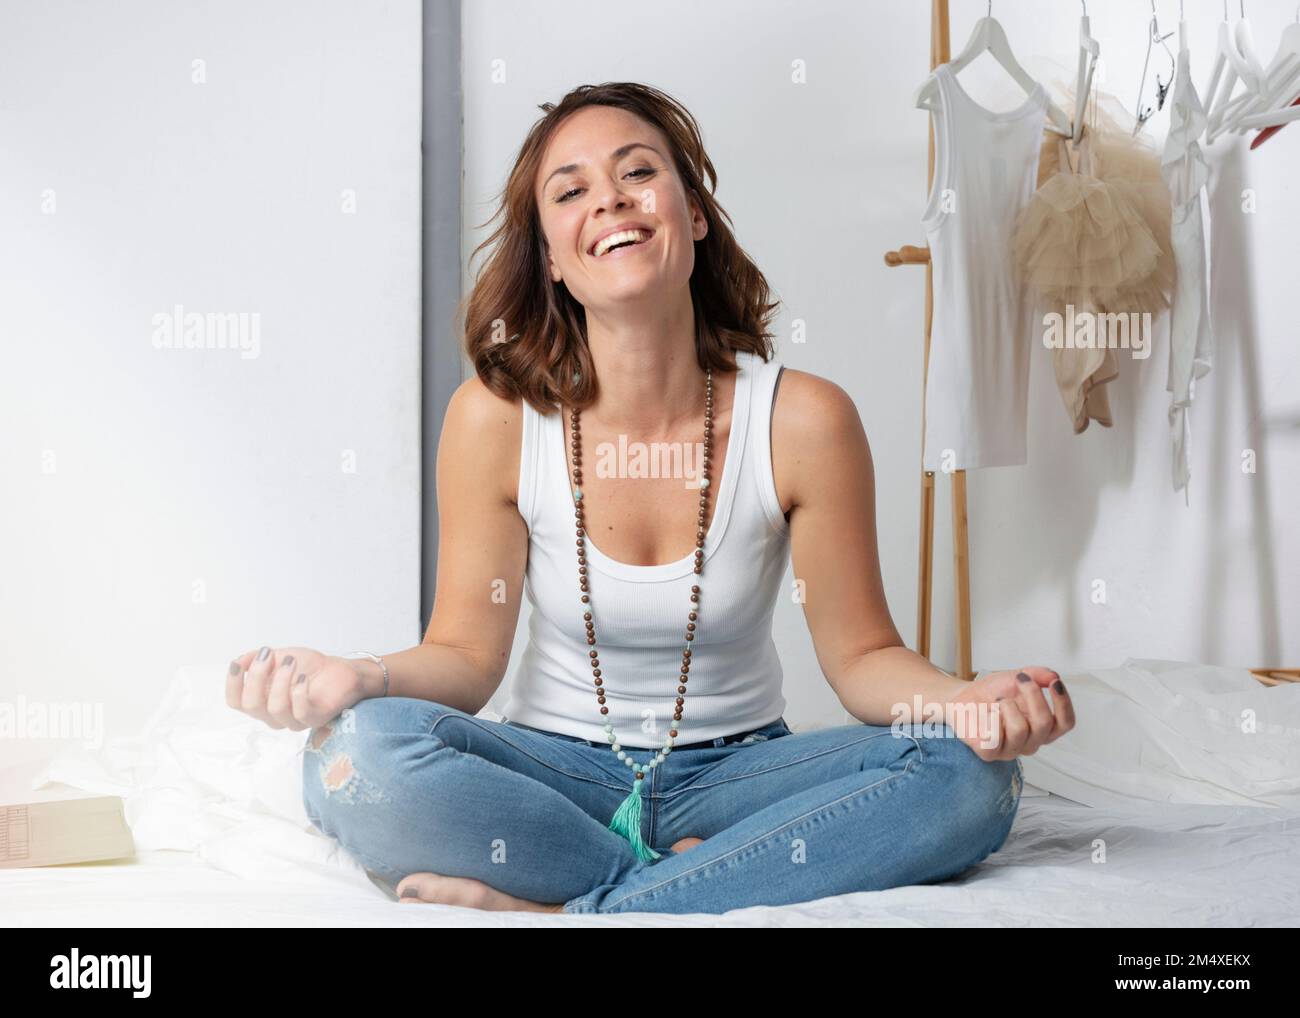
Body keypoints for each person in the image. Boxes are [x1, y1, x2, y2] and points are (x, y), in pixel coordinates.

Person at [228, 82, 1075, 916]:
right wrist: (357, 678)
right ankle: (685, 883)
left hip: (741, 777)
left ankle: (577, 909)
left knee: (969, 773)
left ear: (693, 213)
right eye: (571, 191)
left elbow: (860, 662)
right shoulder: (493, 419)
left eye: (638, 172)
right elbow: (463, 655)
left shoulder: (806, 419)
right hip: (552, 778)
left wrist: (959, 702)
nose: (610, 201)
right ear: (552, 259)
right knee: (356, 752)